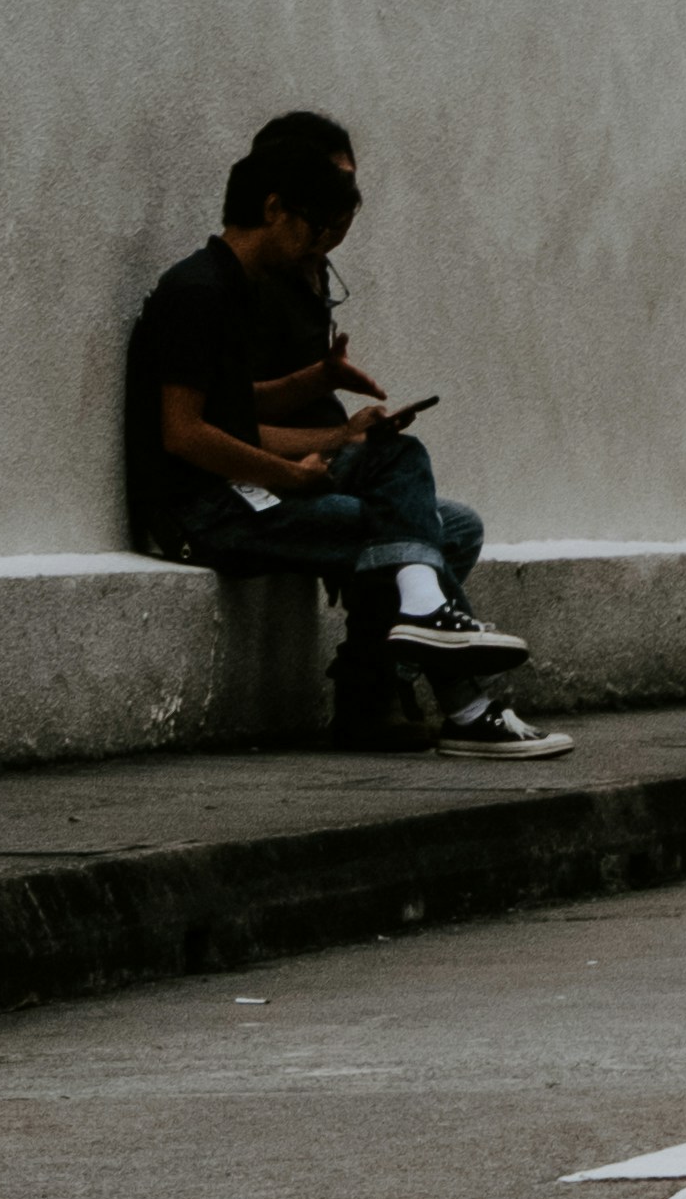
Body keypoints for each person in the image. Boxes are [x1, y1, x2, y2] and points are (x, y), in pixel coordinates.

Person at [123, 115, 571, 756]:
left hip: (248, 487)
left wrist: (330, 406)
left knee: (417, 480)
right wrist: (292, 476)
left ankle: (421, 612)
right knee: (411, 534)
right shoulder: (195, 292)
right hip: (206, 511)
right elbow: (184, 434)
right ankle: (462, 703)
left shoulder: (231, 286)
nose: (319, 252)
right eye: (314, 234)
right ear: (275, 208)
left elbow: (233, 409)